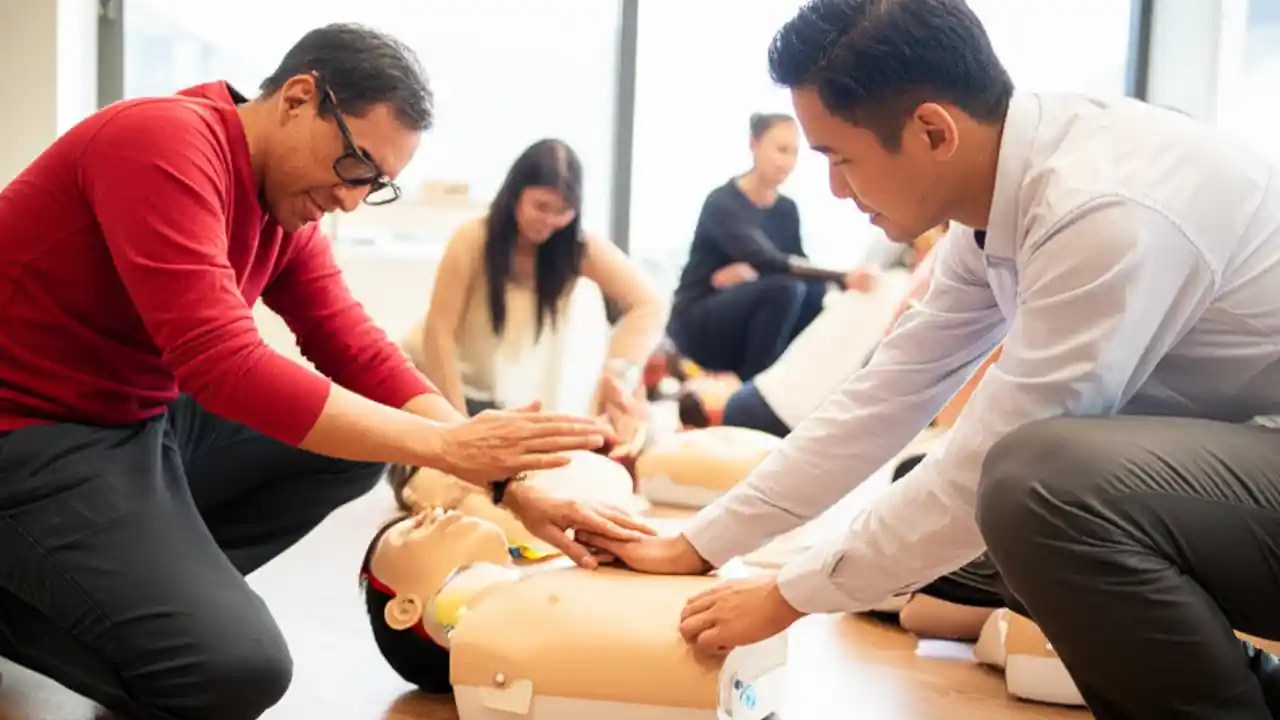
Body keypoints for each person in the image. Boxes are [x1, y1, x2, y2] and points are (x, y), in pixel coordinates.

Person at [580, 1, 1280, 717]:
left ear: (932, 131)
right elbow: (887, 390)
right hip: (1240, 464)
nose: (834, 190)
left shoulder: (1097, 210)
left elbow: (992, 457)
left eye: (838, 158)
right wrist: (700, 541)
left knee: (1029, 488)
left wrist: (786, 595)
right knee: (959, 506)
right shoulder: (999, 198)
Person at [0, 24, 646, 720]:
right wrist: (446, 449)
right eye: (356, 166)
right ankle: (66, 606)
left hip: (133, 419)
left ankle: (132, 597)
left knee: (348, 453)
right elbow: (223, 366)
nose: (352, 200)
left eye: (377, 186)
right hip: (31, 434)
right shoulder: (162, 143)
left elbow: (354, 348)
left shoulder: (285, 208)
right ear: (299, 98)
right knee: (235, 673)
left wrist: (501, 479)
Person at [409, 138, 667, 437]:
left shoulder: (577, 248)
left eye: (563, 210)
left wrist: (618, 373)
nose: (550, 220)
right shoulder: (474, 239)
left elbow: (649, 304)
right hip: (441, 384)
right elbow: (438, 332)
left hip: (507, 399)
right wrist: (457, 425)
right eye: (541, 206)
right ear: (515, 194)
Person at [666, 112, 875, 382]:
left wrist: (752, 276)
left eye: (794, 153)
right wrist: (844, 277)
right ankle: (752, 390)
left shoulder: (787, 210)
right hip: (698, 321)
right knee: (785, 288)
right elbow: (766, 258)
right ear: (754, 144)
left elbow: (794, 264)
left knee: (813, 291)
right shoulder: (722, 203)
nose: (787, 162)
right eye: (781, 150)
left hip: (750, 318)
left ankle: (795, 382)